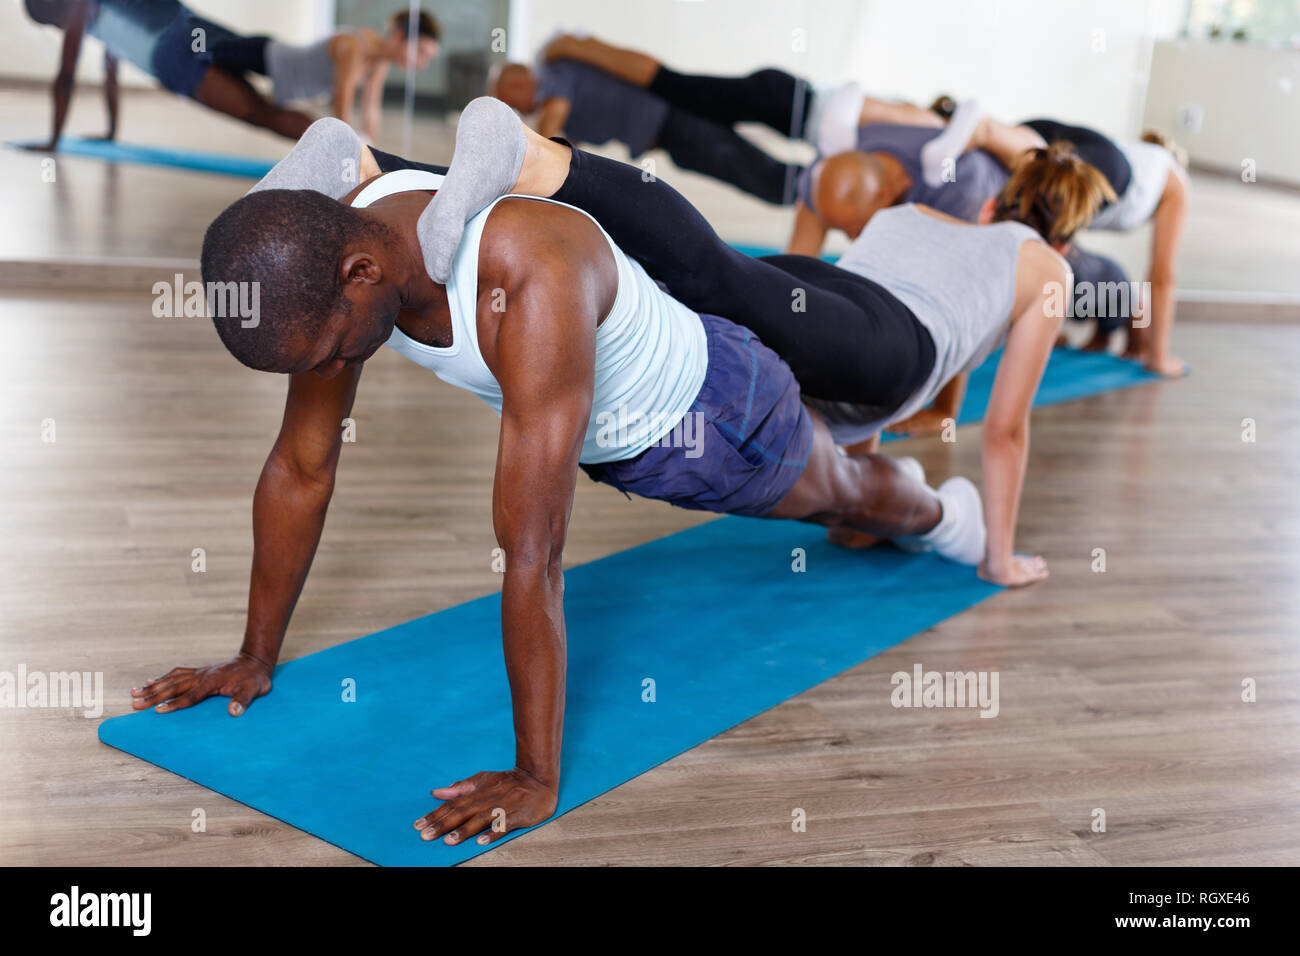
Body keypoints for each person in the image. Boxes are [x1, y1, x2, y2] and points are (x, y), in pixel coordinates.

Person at [130, 110, 988, 848]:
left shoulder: (524, 270)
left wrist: (534, 775)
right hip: (616, 421)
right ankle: (873, 464)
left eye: (329, 352)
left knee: (846, 491)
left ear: (362, 274)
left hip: (715, 425)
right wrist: (253, 656)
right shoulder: (349, 248)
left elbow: (532, 549)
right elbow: (300, 467)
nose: (330, 368)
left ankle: (946, 515)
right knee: (837, 472)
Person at [920, 102, 1191, 376]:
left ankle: (934, 122)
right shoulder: (1175, 181)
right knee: (1092, 273)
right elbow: (1163, 277)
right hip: (1097, 165)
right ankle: (984, 127)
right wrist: (1159, 357)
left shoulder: (1141, 158)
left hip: (1041, 139)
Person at [488, 31, 857, 205]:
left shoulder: (553, 71)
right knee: (749, 171)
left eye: (513, 90)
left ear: (522, 74)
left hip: (671, 118)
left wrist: (530, 151)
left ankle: (835, 181)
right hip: (668, 133)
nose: (520, 99)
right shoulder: (555, 100)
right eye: (512, 99)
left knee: (752, 167)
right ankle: (830, 184)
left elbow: (557, 108)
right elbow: (572, 142)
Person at [21, 0, 315, 146]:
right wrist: (111, 132)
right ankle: (350, 150)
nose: (57, 31)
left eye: (51, 24)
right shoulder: (99, 17)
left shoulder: (79, 8)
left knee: (259, 113)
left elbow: (65, 77)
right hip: (190, 27)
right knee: (265, 107)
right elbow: (109, 72)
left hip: (174, 56)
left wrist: (53, 141)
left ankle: (350, 155)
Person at [195, 9, 441, 143]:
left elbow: (371, 108)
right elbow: (341, 101)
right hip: (267, 56)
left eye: (427, 57)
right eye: (420, 52)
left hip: (282, 78)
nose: (421, 63)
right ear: (399, 36)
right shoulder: (354, 47)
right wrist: (349, 148)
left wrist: (372, 151)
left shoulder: (380, 63)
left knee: (219, 71)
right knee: (205, 49)